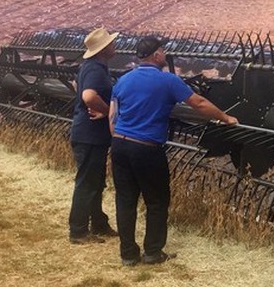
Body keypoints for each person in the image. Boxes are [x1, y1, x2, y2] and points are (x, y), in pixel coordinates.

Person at [109, 36, 238, 266]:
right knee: (156, 201)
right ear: (157, 55)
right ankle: (153, 253)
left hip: (120, 144)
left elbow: (113, 117)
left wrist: (119, 140)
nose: (164, 54)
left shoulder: (123, 80)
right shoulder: (167, 80)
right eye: (163, 51)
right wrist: (225, 117)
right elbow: (198, 103)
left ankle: (128, 254)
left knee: (125, 200)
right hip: (147, 148)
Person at [68, 27, 120, 244]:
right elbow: (88, 96)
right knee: (88, 182)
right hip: (89, 134)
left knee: (95, 182)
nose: (114, 45)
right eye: (111, 43)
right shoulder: (96, 69)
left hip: (89, 134)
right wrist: (108, 110)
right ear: (104, 48)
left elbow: (78, 89)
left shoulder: (92, 67)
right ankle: (78, 231)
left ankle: (98, 223)